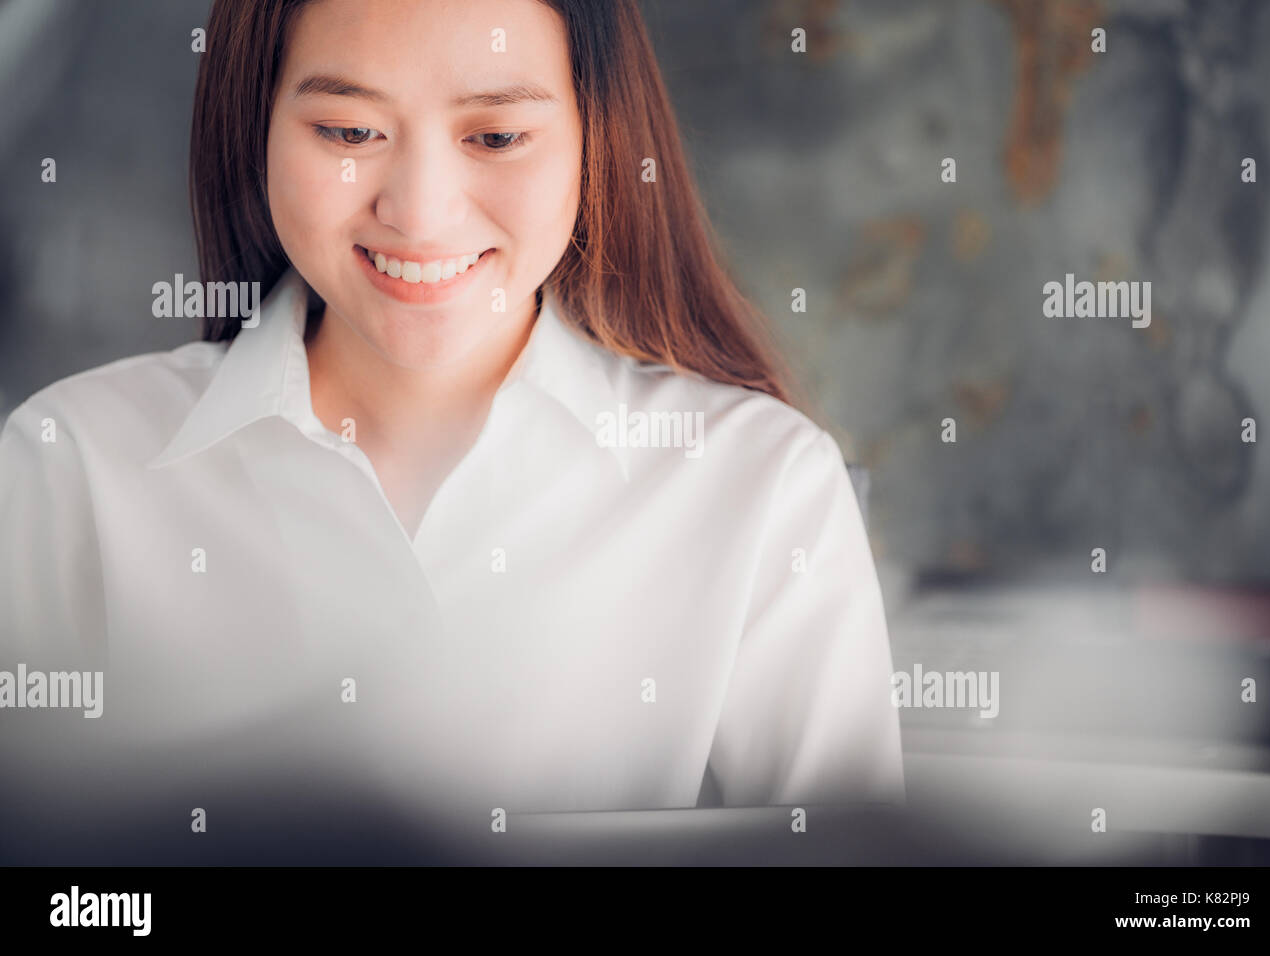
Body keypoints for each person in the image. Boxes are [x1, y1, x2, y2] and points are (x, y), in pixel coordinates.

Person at [0, 0, 903, 861]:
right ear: (257, 129)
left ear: (599, 137)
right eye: (349, 133)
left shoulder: (757, 484)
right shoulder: (71, 467)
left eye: (498, 137)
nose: (422, 213)